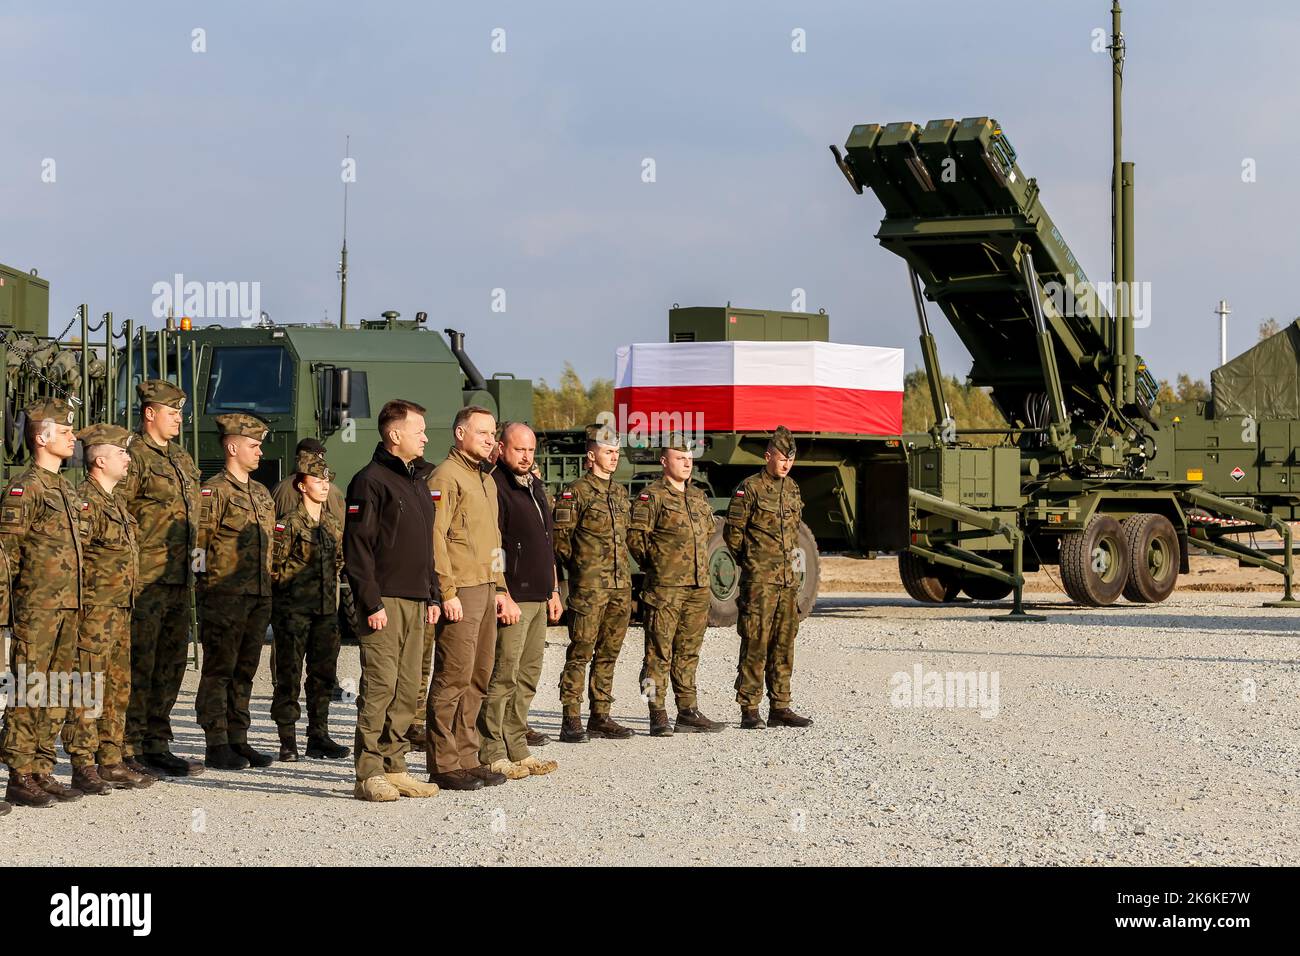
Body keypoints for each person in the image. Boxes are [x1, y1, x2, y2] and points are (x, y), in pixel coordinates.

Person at [343, 399, 441, 802]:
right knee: (380, 687)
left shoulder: (418, 480)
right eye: (419, 430)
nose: (425, 436)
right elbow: (357, 546)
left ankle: (395, 765)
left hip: (417, 599)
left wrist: (433, 593)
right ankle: (368, 772)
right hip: (383, 600)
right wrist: (371, 602)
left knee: (407, 688)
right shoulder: (369, 481)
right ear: (394, 434)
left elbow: (426, 547)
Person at [0, 399, 87, 807]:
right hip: (36, 607)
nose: (73, 437)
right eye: (65, 431)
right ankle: (19, 773)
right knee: (29, 687)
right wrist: (7, 611)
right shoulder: (25, 488)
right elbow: (7, 554)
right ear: (41, 438)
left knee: (57, 688)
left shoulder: (65, 489)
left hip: (68, 606)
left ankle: (41, 767)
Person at [427, 405, 518, 791]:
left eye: (493, 433)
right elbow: (435, 539)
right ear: (460, 433)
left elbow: (494, 542)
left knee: (479, 677)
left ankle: (468, 756)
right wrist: (446, 591)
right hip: (460, 591)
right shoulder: (445, 477)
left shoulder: (486, 481)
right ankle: (444, 764)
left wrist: (500, 588)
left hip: (485, 587)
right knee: (453, 677)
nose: (490, 439)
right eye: (482, 432)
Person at [118, 380, 203, 777]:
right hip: (144, 579)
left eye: (180, 413)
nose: (179, 420)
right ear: (150, 413)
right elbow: (118, 515)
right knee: (140, 662)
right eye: (172, 413)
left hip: (177, 578)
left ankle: (157, 742)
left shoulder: (182, 459)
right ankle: (127, 745)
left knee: (170, 663)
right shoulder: (132, 456)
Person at [62, 424, 154, 792]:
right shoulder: (86, 502)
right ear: (100, 460)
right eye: (121, 453)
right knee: (88, 686)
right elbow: (75, 558)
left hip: (119, 610)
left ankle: (111, 757)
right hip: (94, 612)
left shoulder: (116, 501)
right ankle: (83, 762)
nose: (128, 459)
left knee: (117, 686)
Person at [628, 435, 726, 737]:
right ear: (663, 461)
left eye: (689, 458)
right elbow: (636, 539)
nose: (687, 462)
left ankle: (688, 711)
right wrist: (659, 566)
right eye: (679, 457)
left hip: (697, 587)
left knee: (689, 651)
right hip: (665, 588)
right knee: (657, 653)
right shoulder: (652, 496)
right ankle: (656, 712)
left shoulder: (697, 496)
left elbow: (709, 531)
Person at [478, 422, 561, 779]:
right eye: (518, 449)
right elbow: (493, 546)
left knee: (528, 676)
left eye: (530, 450)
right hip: (513, 598)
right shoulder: (496, 486)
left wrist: (554, 590)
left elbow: (547, 542)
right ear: (501, 448)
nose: (526, 456)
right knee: (503, 676)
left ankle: (517, 745)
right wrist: (502, 592)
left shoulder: (536, 486)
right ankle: (491, 749)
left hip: (539, 595)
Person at [195, 413, 277, 770]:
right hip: (224, 597)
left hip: (258, 596)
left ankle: (238, 738)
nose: (260, 452)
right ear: (232, 447)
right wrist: (205, 589)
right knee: (220, 669)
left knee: (245, 669)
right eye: (254, 446)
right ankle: (216, 742)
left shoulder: (261, 493)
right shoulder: (214, 491)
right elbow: (198, 546)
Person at [723, 426, 814, 729]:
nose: (786, 463)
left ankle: (781, 706)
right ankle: (749, 708)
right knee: (756, 641)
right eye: (781, 457)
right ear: (767, 457)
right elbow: (733, 533)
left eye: (791, 458)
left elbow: (794, 532)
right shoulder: (749, 488)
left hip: (787, 581)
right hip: (759, 581)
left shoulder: (792, 489)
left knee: (784, 642)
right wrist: (752, 562)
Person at [552, 422, 634, 743]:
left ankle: (601, 715)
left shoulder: (619, 493)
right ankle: (571, 717)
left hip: (619, 586)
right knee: (581, 650)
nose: (614, 457)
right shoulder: (577, 492)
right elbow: (561, 541)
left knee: (609, 651)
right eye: (608, 452)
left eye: (616, 452)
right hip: (589, 588)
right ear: (591, 455)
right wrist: (583, 569)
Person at [270, 449, 349, 762]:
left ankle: (319, 735)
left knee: (322, 676)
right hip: (294, 613)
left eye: (327, 479)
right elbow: (273, 568)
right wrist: (296, 582)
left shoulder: (331, 524)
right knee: (288, 676)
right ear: (302, 485)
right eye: (318, 479)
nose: (325, 484)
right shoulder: (288, 525)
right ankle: (287, 741)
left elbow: (339, 560)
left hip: (325, 613)